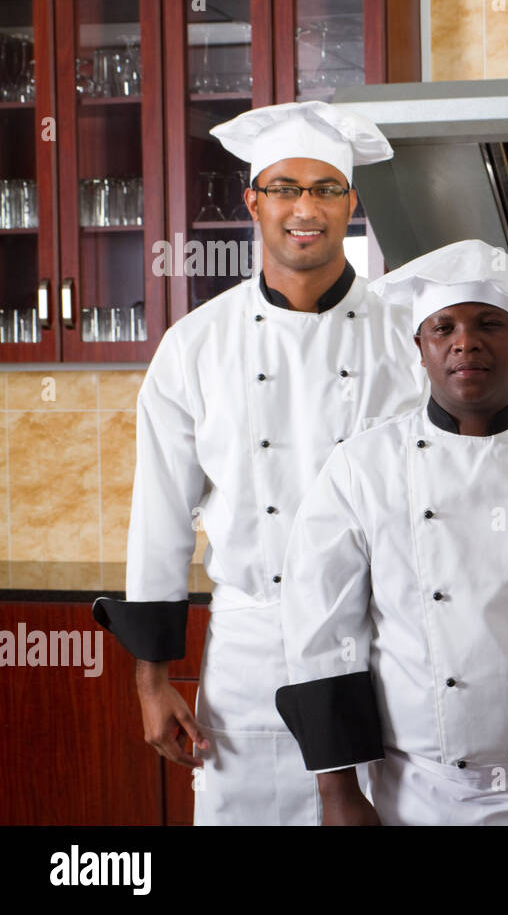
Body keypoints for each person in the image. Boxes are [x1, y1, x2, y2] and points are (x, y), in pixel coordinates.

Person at [93, 101, 425, 825]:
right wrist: (151, 682)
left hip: (385, 647)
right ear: (253, 201)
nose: (305, 208)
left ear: (350, 203)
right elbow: (159, 522)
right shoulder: (196, 346)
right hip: (251, 653)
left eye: (326, 189)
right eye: (285, 188)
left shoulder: (410, 338)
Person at [274, 239, 508, 825]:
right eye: (444, 328)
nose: (466, 341)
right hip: (418, 789)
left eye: (489, 323)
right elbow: (321, 630)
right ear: (421, 347)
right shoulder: (363, 468)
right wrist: (338, 793)